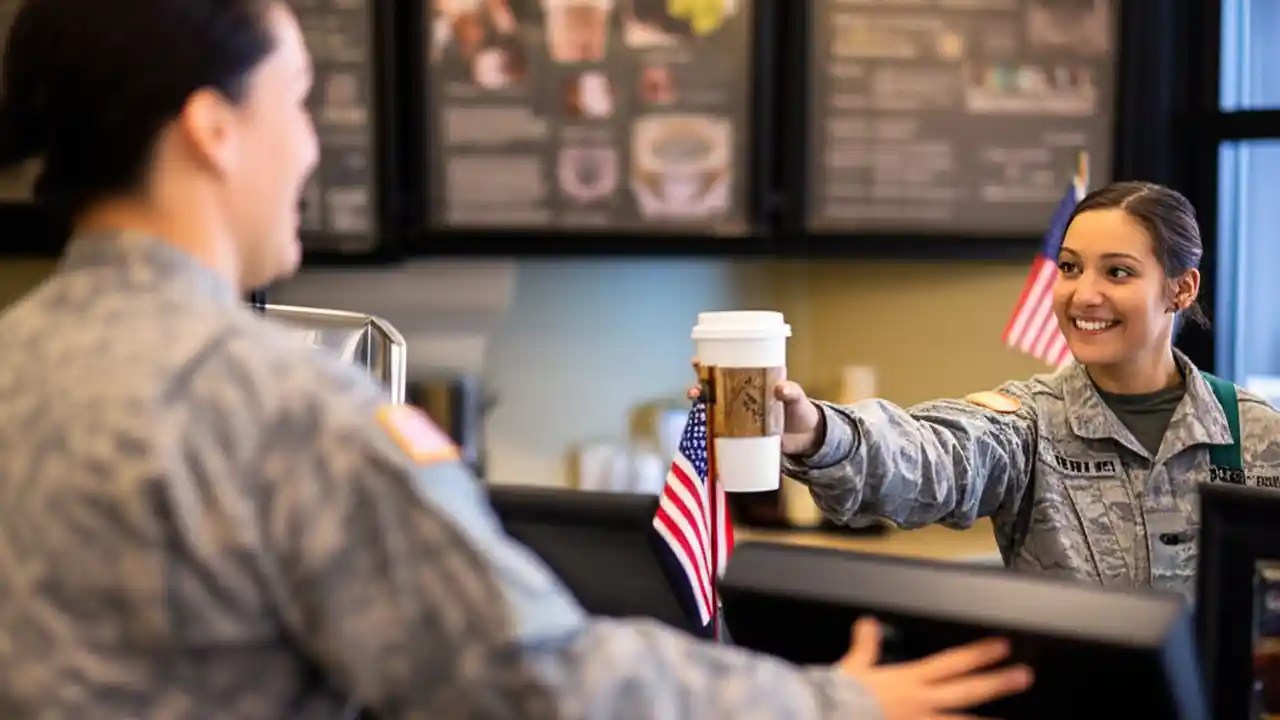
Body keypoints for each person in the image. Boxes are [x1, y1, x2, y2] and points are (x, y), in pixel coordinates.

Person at [0, 1, 1033, 717]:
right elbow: (525, 681)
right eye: (299, 102)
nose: (312, 148)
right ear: (213, 129)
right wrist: (828, 704)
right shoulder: (285, 406)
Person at [693, 180, 1280, 602]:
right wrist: (814, 431)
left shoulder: (1256, 434)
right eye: (1071, 268)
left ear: (1181, 289)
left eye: (1118, 272)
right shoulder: (1028, 425)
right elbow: (932, 455)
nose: (1083, 294)